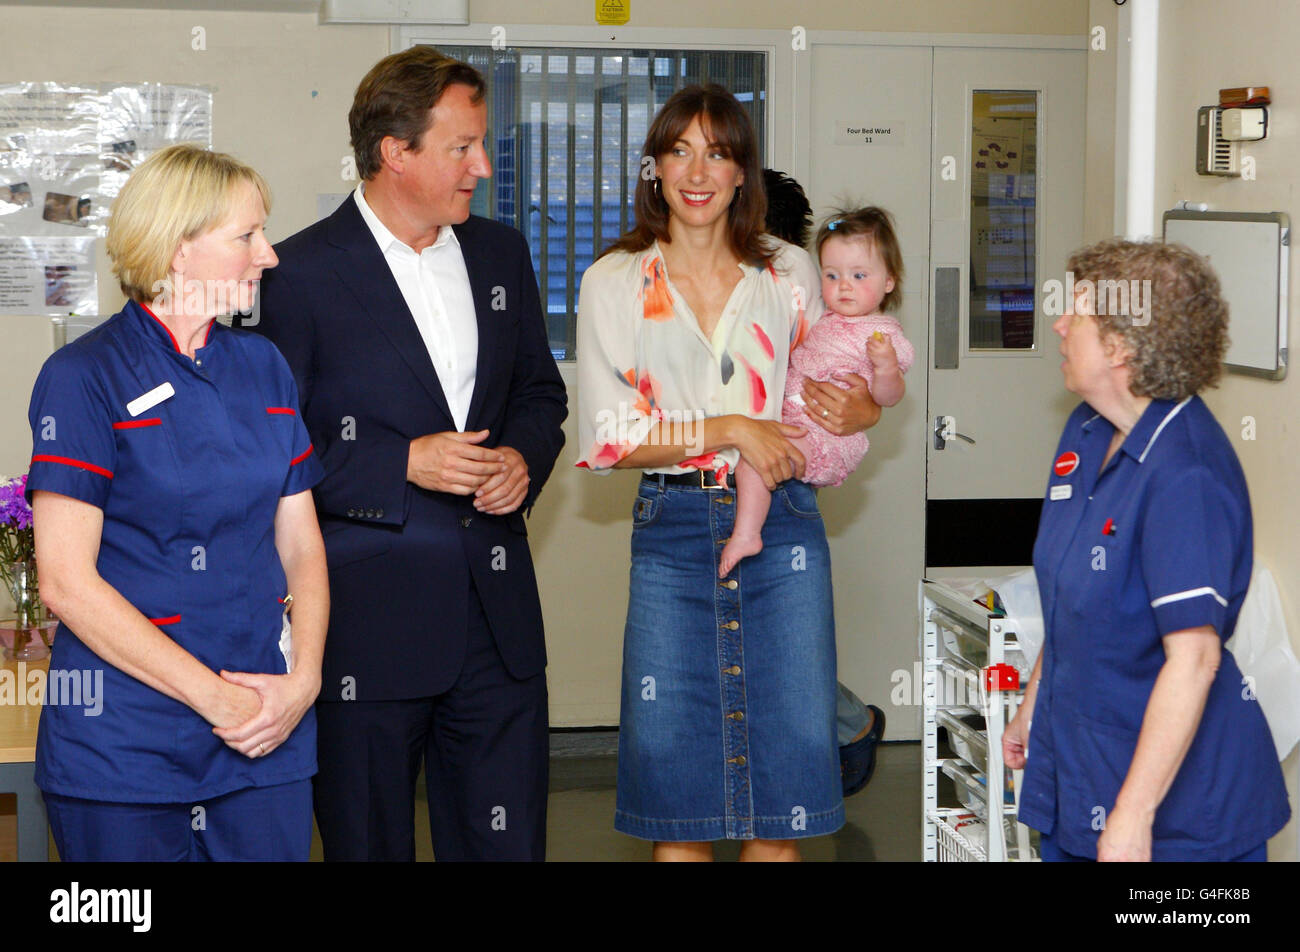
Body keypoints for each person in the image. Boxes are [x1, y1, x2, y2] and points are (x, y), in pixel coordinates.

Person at [253, 47, 567, 862]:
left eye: (481, 144)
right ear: (397, 152)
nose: (483, 166)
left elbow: (541, 395)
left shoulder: (502, 255)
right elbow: (271, 446)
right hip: (363, 631)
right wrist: (400, 463)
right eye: (462, 147)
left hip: (498, 633)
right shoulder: (297, 275)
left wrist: (523, 462)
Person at [576, 85, 882, 861]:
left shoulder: (790, 274)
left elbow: (838, 389)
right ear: (654, 167)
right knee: (676, 810)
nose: (697, 169)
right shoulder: (613, 279)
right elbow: (609, 437)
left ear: (744, 170)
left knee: (781, 812)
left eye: (718, 151)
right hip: (672, 531)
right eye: (679, 150)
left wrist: (863, 413)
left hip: (783, 525)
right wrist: (731, 427)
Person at [26, 144, 328, 861]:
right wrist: (215, 700)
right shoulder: (83, 377)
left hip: (266, 740)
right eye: (246, 236)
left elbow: (302, 546)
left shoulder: (264, 366)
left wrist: (305, 681)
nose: (270, 256)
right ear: (177, 249)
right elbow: (67, 585)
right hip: (126, 752)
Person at [1003, 238, 1290, 861]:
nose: (1059, 323)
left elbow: (1194, 660)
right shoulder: (1086, 429)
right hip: (1079, 771)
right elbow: (1073, 593)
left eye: (1076, 311)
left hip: (1177, 815)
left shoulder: (1187, 474)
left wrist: (1133, 817)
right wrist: (1033, 701)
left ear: (1121, 346)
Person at [761, 171, 889, 797]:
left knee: (783, 641)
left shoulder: (805, 289)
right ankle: (846, 725)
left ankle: (847, 727)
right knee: (753, 640)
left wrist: (863, 408)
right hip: (714, 474)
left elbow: (861, 384)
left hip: (786, 474)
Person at [720, 206, 914, 575]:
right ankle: (748, 531)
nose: (844, 285)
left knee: (757, 463)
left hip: (827, 436)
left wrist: (886, 366)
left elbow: (889, 397)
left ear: (889, 280)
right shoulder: (823, 317)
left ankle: (747, 534)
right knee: (753, 461)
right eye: (832, 274)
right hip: (795, 422)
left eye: (859, 275)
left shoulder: (884, 335)